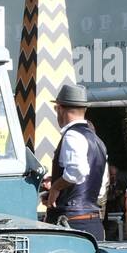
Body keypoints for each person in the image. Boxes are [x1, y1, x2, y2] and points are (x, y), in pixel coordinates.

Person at [43, 83, 109, 240]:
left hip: (71, 222)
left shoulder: (72, 135)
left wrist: (55, 189)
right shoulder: (97, 140)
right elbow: (98, 187)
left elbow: (77, 172)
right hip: (92, 221)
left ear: (60, 108)